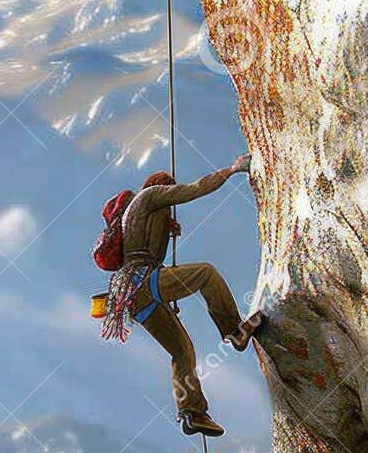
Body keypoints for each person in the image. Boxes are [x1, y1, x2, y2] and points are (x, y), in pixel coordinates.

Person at [100, 153, 264, 437]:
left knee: (181, 351)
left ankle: (191, 412)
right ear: (160, 187)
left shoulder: (135, 220)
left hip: (133, 297)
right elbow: (194, 189)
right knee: (206, 274)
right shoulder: (150, 195)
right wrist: (231, 170)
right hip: (143, 281)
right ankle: (234, 331)